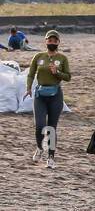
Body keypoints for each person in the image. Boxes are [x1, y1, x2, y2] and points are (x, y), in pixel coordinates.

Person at [26, 30, 70, 168]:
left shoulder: (62, 58)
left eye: (54, 40)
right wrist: (28, 88)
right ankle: (39, 147)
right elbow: (31, 74)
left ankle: (51, 157)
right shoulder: (38, 57)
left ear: (58, 42)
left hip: (55, 95)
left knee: (51, 127)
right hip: (40, 95)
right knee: (39, 125)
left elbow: (68, 77)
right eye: (49, 40)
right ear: (45, 41)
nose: (52, 42)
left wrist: (57, 72)